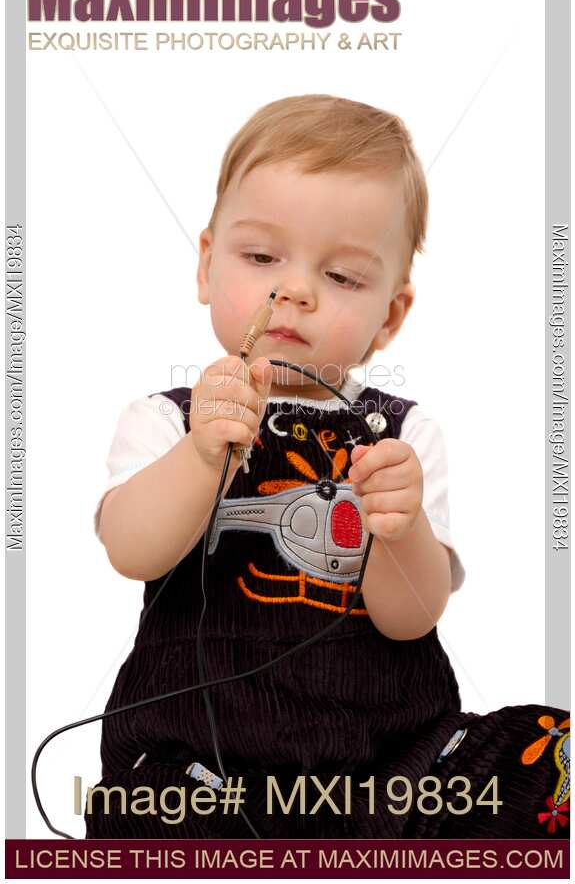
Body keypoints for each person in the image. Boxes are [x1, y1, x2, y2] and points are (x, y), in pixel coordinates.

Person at [85, 95, 569, 840]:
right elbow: (132, 549)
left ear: (391, 314)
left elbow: (410, 617)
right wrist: (200, 455)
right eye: (259, 258)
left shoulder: (403, 438)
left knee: (545, 749)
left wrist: (397, 527)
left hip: (386, 759)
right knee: (157, 814)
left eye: (342, 277)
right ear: (206, 264)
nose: (295, 290)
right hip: (198, 763)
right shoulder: (167, 419)